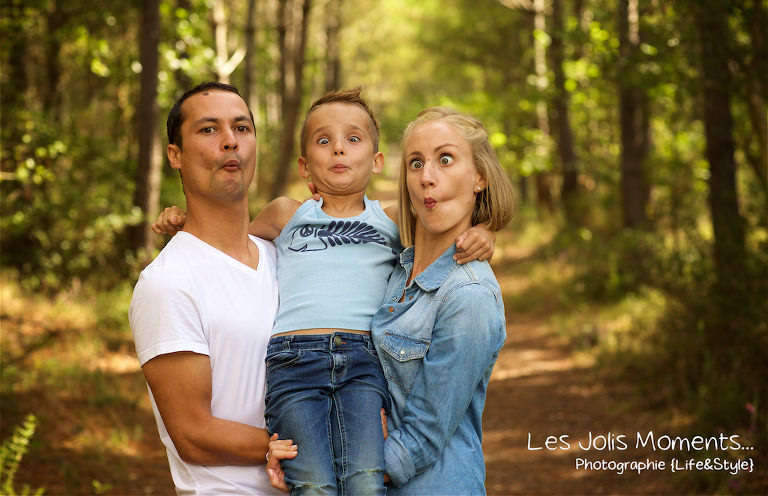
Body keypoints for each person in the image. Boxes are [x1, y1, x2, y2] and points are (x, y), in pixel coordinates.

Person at [153, 89, 497, 495]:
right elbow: (225, 241)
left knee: (366, 482)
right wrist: (182, 221)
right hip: (294, 357)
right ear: (304, 165)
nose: (338, 149)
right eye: (323, 141)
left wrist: (485, 231)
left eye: (353, 139)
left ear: (377, 161)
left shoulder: (390, 219)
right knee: (312, 484)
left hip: (362, 358)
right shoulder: (286, 212)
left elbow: (440, 220)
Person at [267, 106, 514, 495]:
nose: (428, 177)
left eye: (445, 160)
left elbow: (423, 436)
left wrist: (327, 472)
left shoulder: (470, 296)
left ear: (479, 176)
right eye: (416, 163)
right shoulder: (397, 267)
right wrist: (302, 454)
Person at [129, 81, 287, 495]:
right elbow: (194, 435)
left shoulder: (283, 256)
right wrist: (320, 443)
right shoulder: (168, 282)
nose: (230, 141)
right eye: (208, 130)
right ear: (175, 156)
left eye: (242, 128)